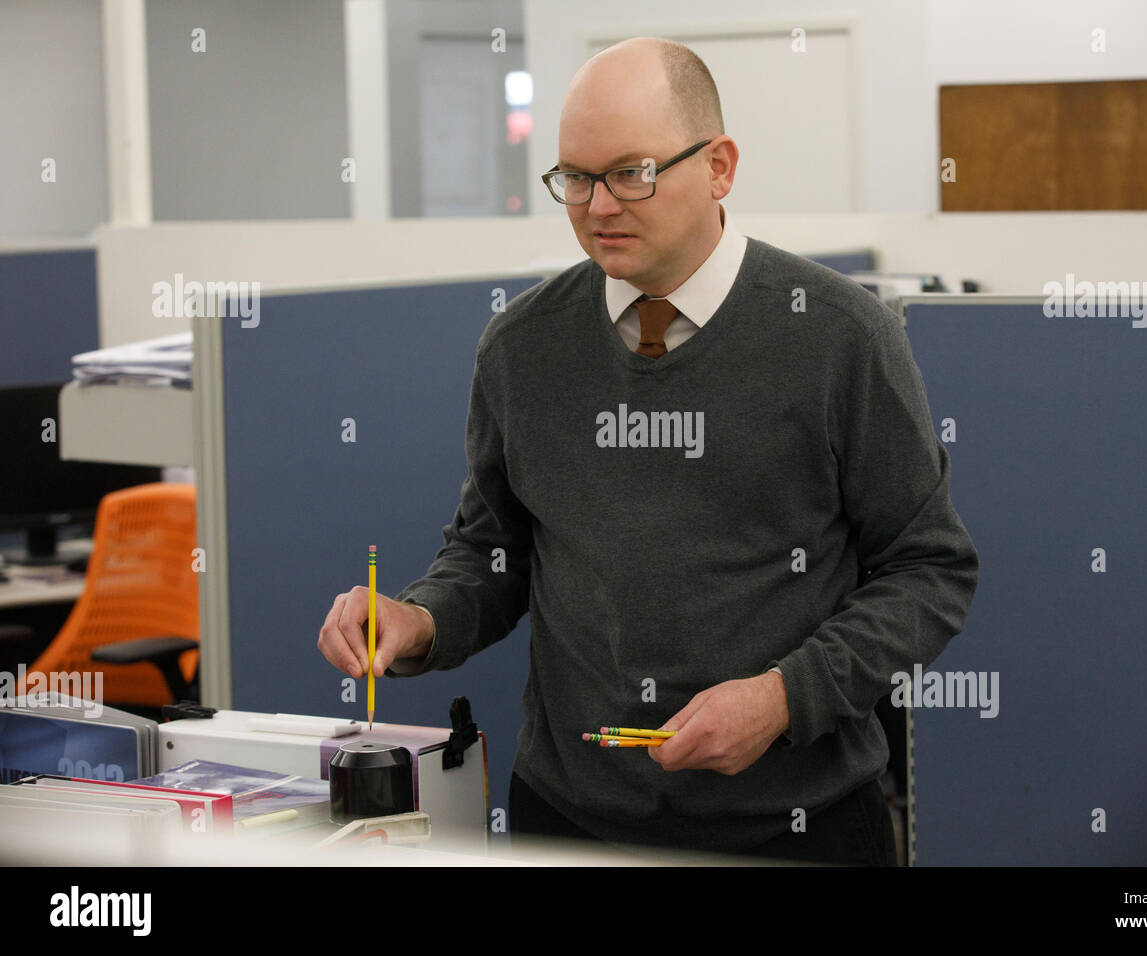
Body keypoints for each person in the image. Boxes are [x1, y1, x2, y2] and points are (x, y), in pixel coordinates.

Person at [318, 36, 978, 865]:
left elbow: (929, 570)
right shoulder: (523, 348)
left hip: (796, 827)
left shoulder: (841, 338)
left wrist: (783, 699)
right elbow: (492, 554)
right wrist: (416, 620)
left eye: (631, 172)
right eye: (576, 178)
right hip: (570, 823)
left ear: (720, 166)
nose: (598, 206)